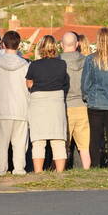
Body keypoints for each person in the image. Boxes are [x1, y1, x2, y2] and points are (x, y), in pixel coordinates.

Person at [0, 30, 30, 176]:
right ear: (19, 45)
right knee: (20, 144)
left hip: (0, 108)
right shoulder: (26, 65)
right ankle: (19, 169)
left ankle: (0, 170)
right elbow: (28, 89)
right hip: (21, 109)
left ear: (2, 44)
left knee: (0, 145)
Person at [26, 34, 69, 172]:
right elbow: (63, 82)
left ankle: (38, 172)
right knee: (58, 140)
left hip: (38, 102)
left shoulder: (34, 65)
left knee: (38, 140)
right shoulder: (62, 64)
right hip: (56, 102)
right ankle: (60, 172)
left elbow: (29, 83)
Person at [82, 27, 108, 167]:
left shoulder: (90, 60)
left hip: (95, 102)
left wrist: (87, 96)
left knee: (95, 137)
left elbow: (86, 83)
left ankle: (95, 164)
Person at [60, 31, 91, 169]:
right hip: (83, 105)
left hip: (66, 105)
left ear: (61, 45)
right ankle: (87, 170)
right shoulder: (86, 61)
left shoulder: (58, 62)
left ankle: (61, 171)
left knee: (63, 145)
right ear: (77, 44)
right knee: (84, 147)